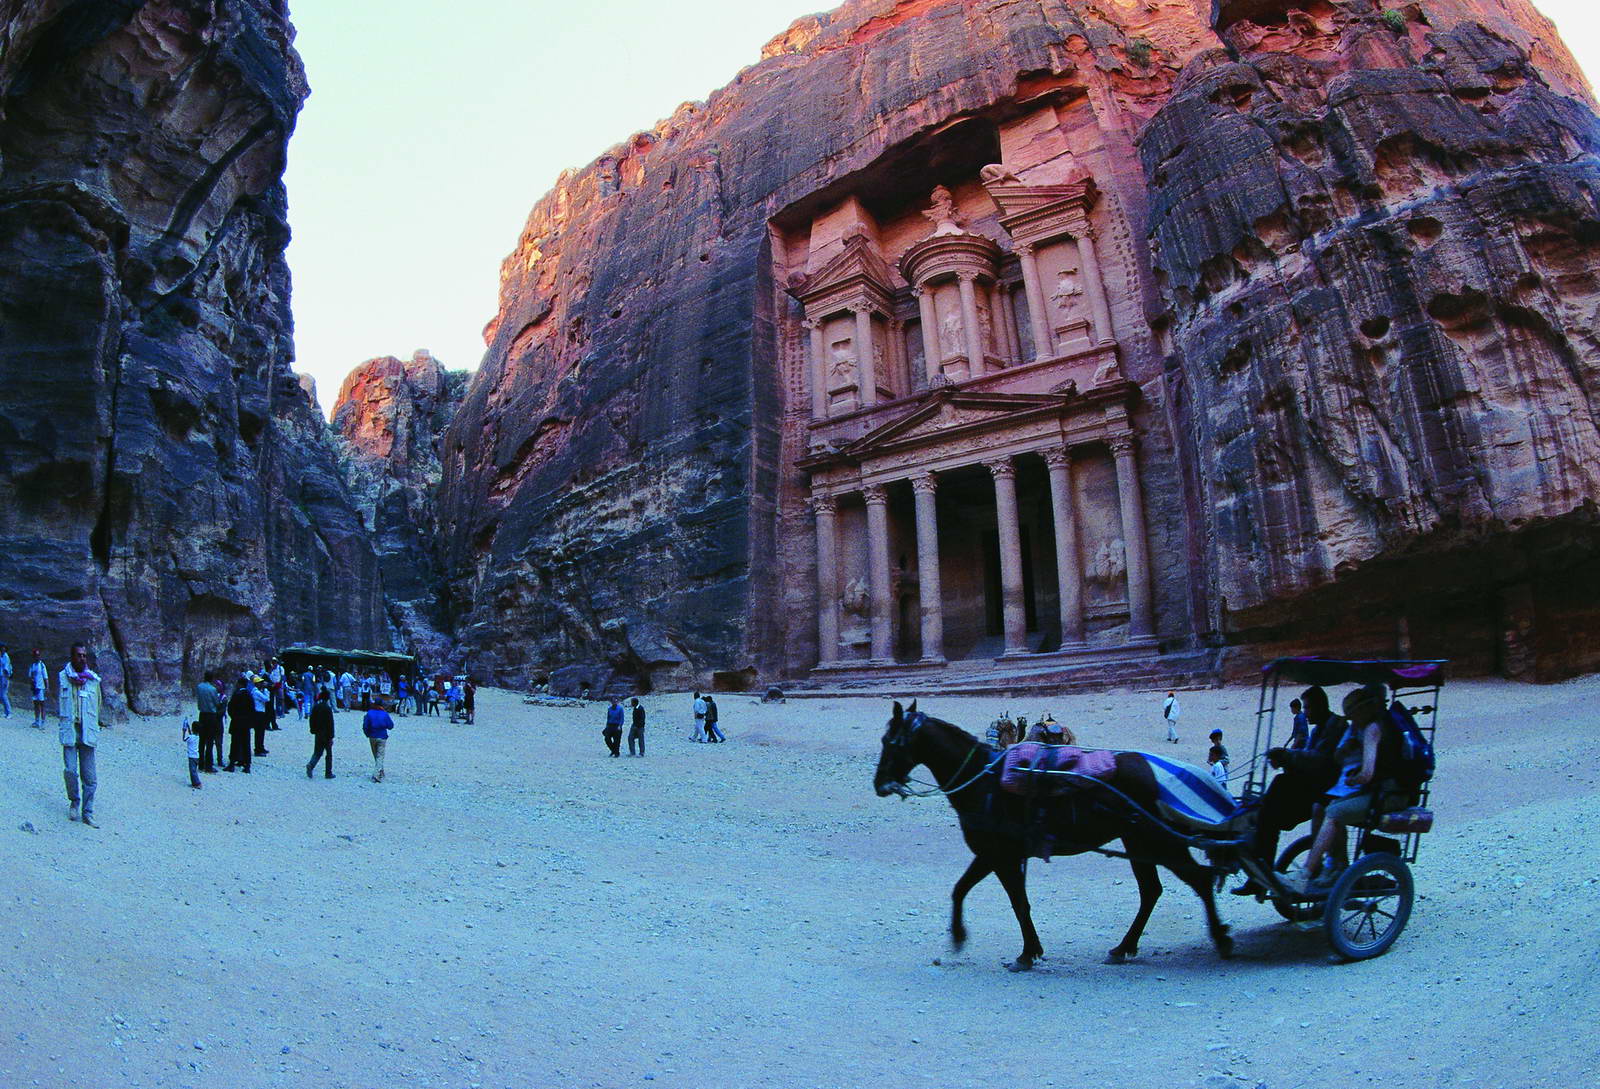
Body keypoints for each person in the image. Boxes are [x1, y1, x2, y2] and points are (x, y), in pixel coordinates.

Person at [1288, 684, 1408, 894]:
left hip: (1389, 795)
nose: (1352, 720)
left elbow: (1367, 773)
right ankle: (1336, 865)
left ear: (1363, 711)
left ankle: (1306, 873)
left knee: (1334, 812)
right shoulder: (1369, 727)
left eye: (1353, 715)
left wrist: (1354, 780)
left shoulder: (1372, 729)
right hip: (1381, 791)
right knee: (1325, 806)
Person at [1231, 685, 1344, 896]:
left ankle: (1262, 874)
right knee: (1269, 809)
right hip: (1316, 788)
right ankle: (1260, 874)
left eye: (1308, 708)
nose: (1305, 713)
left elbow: (1320, 763)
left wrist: (1287, 756)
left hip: (1327, 793)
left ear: (1320, 706)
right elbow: (1308, 761)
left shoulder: (1336, 727)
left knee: (1274, 800)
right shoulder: (1319, 729)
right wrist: (1286, 760)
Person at [57, 642, 102, 826]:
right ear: (72, 656)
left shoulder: (93, 680)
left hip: (87, 731)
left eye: (84, 655)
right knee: (70, 771)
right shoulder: (62, 677)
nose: (82, 658)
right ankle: (74, 801)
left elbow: (98, 705)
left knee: (89, 776)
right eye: (79, 655)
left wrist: (95, 725)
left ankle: (87, 812)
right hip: (70, 729)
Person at [195, 670, 223, 773]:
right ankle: (208, 765)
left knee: (202, 740)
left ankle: (201, 763)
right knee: (210, 741)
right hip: (211, 715)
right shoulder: (212, 689)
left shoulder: (199, 687)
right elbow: (216, 703)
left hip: (202, 714)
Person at [225, 674, 254, 773]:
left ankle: (232, 764)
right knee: (246, 744)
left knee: (235, 743)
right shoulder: (249, 695)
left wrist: (234, 717)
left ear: (240, 684)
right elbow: (252, 710)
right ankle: (247, 765)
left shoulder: (236, 695)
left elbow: (230, 708)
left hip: (237, 722)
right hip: (246, 724)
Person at [306, 688, 336, 779]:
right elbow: (330, 724)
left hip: (318, 733)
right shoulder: (328, 708)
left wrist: (313, 730)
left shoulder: (316, 707)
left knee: (317, 752)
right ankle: (328, 772)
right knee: (329, 754)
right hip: (326, 734)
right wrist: (331, 736)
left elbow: (311, 719)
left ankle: (311, 764)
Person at [363, 698, 394, 782]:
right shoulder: (384, 714)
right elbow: (391, 726)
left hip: (372, 736)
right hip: (382, 736)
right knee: (380, 755)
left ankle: (380, 771)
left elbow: (365, 725)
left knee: (375, 755)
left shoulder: (369, 713)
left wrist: (367, 734)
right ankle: (376, 774)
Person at [250, 674, 271, 755]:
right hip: (258, 714)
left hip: (259, 713)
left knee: (261, 732)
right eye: (260, 683)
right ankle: (258, 749)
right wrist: (266, 690)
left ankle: (260, 747)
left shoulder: (255, 691)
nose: (262, 684)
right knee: (259, 732)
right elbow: (267, 699)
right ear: (257, 684)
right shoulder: (256, 692)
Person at [29, 648, 50, 729]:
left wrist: (47, 687)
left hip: (41, 687)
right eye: (35, 655)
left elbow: (45, 677)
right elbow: (30, 676)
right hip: (35, 688)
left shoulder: (42, 665)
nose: (37, 657)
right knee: (36, 704)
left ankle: (43, 721)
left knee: (42, 704)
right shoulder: (32, 666)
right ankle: (37, 720)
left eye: (38, 655)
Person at [1207, 728, 1230, 794]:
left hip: (1222, 770)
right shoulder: (1214, 748)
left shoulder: (1222, 748)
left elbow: (1227, 760)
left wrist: (1218, 762)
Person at [183, 720, 202, 789]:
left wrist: (184, 731)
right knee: (194, 770)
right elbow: (191, 735)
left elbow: (184, 739)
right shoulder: (197, 737)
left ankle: (197, 783)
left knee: (192, 771)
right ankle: (195, 783)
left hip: (191, 756)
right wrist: (188, 727)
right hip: (196, 756)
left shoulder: (190, 737)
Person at [0, 641, 11, 717]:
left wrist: (5, 680)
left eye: (3, 647)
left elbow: (6, 669)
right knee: (1, 695)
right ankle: (5, 712)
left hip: (4, 677)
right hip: (1, 676)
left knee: (4, 695)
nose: (2, 649)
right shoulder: (1, 655)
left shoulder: (6, 657)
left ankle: (9, 712)